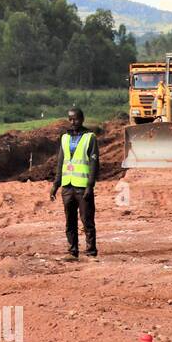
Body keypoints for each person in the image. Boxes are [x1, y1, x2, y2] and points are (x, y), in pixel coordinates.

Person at [48, 107, 98, 258]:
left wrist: (90, 185)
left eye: (75, 119)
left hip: (83, 187)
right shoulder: (65, 138)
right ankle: (72, 251)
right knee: (70, 222)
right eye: (70, 119)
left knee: (87, 221)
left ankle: (91, 252)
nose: (72, 122)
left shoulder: (90, 137)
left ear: (82, 119)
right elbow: (60, 163)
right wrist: (56, 185)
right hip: (67, 187)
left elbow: (94, 164)